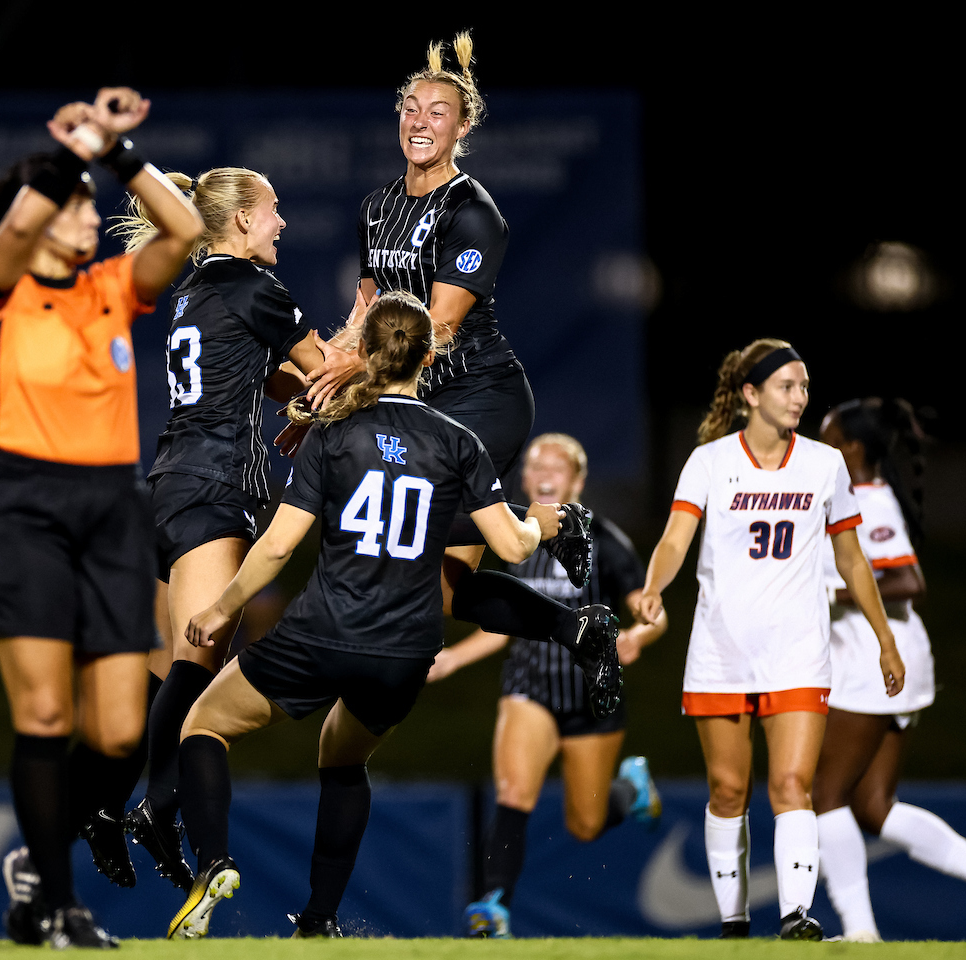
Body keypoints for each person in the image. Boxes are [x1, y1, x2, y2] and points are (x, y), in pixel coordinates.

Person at [162, 291, 563, 939]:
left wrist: (222, 606)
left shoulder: (336, 431)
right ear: (430, 357)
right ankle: (319, 920)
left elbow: (279, 544)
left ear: (366, 356)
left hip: (325, 629)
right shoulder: (459, 441)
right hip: (405, 651)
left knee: (202, 725)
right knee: (343, 761)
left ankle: (212, 865)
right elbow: (513, 546)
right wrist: (551, 525)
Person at [296, 31, 620, 717]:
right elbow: (365, 311)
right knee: (443, 589)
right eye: (410, 108)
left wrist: (352, 371)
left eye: (437, 112)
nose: (419, 121)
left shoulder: (473, 213)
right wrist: (329, 394)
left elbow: (436, 326)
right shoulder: (377, 206)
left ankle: (342, 667)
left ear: (463, 127)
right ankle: (577, 621)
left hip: (480, 397)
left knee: (410, 546)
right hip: (421, 402)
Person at [0, 88, 203, 948]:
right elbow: (12, 236)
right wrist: (72, 152)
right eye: (80, 204)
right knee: (47, 719)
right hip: (23, 509)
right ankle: (59, 910)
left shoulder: (112, 288)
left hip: (111, 512)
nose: (90, 213)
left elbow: (183, 230)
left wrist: (120, 153)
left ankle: (38, 869)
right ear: (47, 211)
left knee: (119, 732)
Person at [635, 339, 906, 941]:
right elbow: (677, 538)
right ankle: (734, 926)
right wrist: (653, 587)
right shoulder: (709, 461)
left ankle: (795, 917)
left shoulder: (824, 465)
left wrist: (885, 638)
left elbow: (853, 560)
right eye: (787, 386)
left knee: (791, 786)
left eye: (804, 386)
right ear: (751, 394)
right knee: (728, 790)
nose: (799, 398)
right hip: (720, 651)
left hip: (798, 652)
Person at [108, 166, 326, 893]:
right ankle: (150, 804)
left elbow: (267, 380)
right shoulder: (257, 288)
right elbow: (326, 373)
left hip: (169, 480)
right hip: (212, 486)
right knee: (201, 656)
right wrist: (370, 336)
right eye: (272, 210)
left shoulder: (197, 288)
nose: (281, 224)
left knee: (175, 661)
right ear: (239, 222)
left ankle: (112, 797)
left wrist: (298, 400)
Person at [813, 398, 966, 943]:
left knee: (824, 797)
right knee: (873, 807)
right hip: (886, 659)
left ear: (853, 449)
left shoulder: (868, 499)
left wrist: (831, 593)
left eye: (828, 437)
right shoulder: (852, 498)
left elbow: (909, 581)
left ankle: (861, 932)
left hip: (875, 661)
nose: (818, 447)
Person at [427, 433, 669, 938]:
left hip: (590, 696)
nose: (543, 475)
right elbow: (502, 621)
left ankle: (631, 788)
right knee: (514, 792)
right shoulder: (514, 538)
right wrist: (452, 658)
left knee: (586, 823)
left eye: (557, 468)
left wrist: (637, 635)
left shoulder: (604, 540)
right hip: (530, 687)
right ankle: (493, 906)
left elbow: (653, 612)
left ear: (578, 481)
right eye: (535, 466)